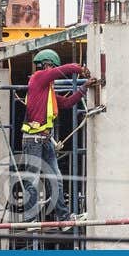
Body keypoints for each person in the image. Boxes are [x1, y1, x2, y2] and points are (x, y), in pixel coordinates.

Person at [20, 48, 91, 223]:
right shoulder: (38, 78)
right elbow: (59, 71)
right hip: (33, 140)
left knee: (56, 180)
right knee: (33, 178)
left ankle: (64, 218)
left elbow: (67, 103)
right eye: (50, 67)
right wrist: (78, 68)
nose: (52, 72)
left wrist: (83, 88)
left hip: (45, 142)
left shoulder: (48, 92)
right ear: (45, 65)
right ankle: (30, 220)